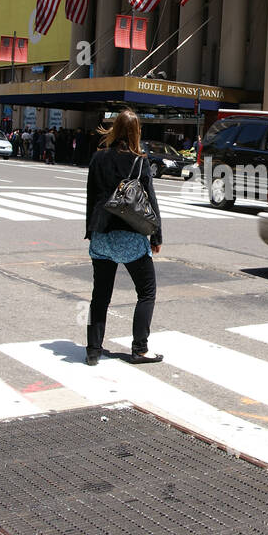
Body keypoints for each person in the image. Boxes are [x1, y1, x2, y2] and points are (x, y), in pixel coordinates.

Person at [84, 108, 163, 367]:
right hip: (131, 235)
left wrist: (90, 230)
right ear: (136, 132)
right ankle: (140, 349)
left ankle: (93, 350)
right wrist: (156, 236)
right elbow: (150, 202)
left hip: (103, 235)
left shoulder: (98, 158)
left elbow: (91, 197)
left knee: (100, 295)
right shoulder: (140, 161)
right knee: (146, 292)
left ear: (114, 128)